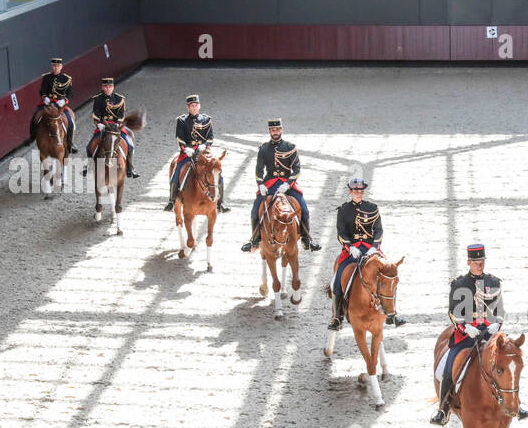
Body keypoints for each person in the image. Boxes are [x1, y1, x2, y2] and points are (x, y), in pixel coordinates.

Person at [431, 243, 528, 425]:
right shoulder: (459, 284)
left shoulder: (493, 282)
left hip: (490, 336)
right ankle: (443, 409)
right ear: (469, 262)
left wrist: (496, 325)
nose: (479, 264)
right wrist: (465, 327)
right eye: (476, 261)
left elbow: (500, 312)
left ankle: (518, 403)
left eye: (482, 261)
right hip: (466, 336)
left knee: (509, 363)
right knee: (448, 365)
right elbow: (453, 313)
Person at [329, 178, 405, 330]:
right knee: (338, 279)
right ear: (351, 192)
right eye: (356, 191)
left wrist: (374, 247)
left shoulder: (372, 208)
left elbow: (378, 230)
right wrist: (350, 247)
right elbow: (341, 233)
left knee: (389, 274)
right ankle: (337, 317)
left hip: (370, 249)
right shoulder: (343, 210)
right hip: (352, 250)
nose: (359, 194)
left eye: (361, 191)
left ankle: (392, 315)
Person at [240, 118, 320, 252]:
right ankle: (255, 240)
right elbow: (259, 170)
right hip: (270, 183)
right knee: (255, 211)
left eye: (277, 129)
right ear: (270, 131)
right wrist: (260, 184)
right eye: (272, 130)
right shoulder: (264, 149)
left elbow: (297, 169)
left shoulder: (290, 147)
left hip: (287, 183)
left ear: (281, 130)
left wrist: (288, 184)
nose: (275, 132)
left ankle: (307, 240)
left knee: (304, 210)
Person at [165, 94, 228, 213]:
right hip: (188, 152)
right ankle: (172, 200)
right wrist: (186, 149)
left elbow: (210, 137)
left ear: (199, 106)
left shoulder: (206, 120)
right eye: (191, 106)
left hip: (203, 152)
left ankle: (221, 203)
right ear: (188, 107)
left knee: (218, 173)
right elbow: (179, 138)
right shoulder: (182, 121)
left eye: (196, 105)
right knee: (177, 170)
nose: (194, 108)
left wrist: (205, 145)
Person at [85, 77, 137, 177]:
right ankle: (86, 167)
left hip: (116, 127)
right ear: (102, 87)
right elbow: (96, 114)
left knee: (130, 145)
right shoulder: (98, 99)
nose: (108, 88)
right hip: (103, 126)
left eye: (110, 86)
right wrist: (99, 124)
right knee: (89, 147)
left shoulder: (119, 99)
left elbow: (121, 115)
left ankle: (130, 168)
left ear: (113, 87)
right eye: (105, 86)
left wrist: (117, 124)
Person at [31, 57, 74, 145]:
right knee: (35, 118)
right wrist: (45, 97)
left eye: (58, 66)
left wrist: (64, 100)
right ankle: (32, 137)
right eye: (54, 66)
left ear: (61, 67)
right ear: (52, 66)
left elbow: (70, 93)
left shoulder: (66, 79)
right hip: (48, 103)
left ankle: (70, 142)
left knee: (70, 121)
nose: (56, 68)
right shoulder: (46, 77)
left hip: (60, 104)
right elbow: (42, 90)